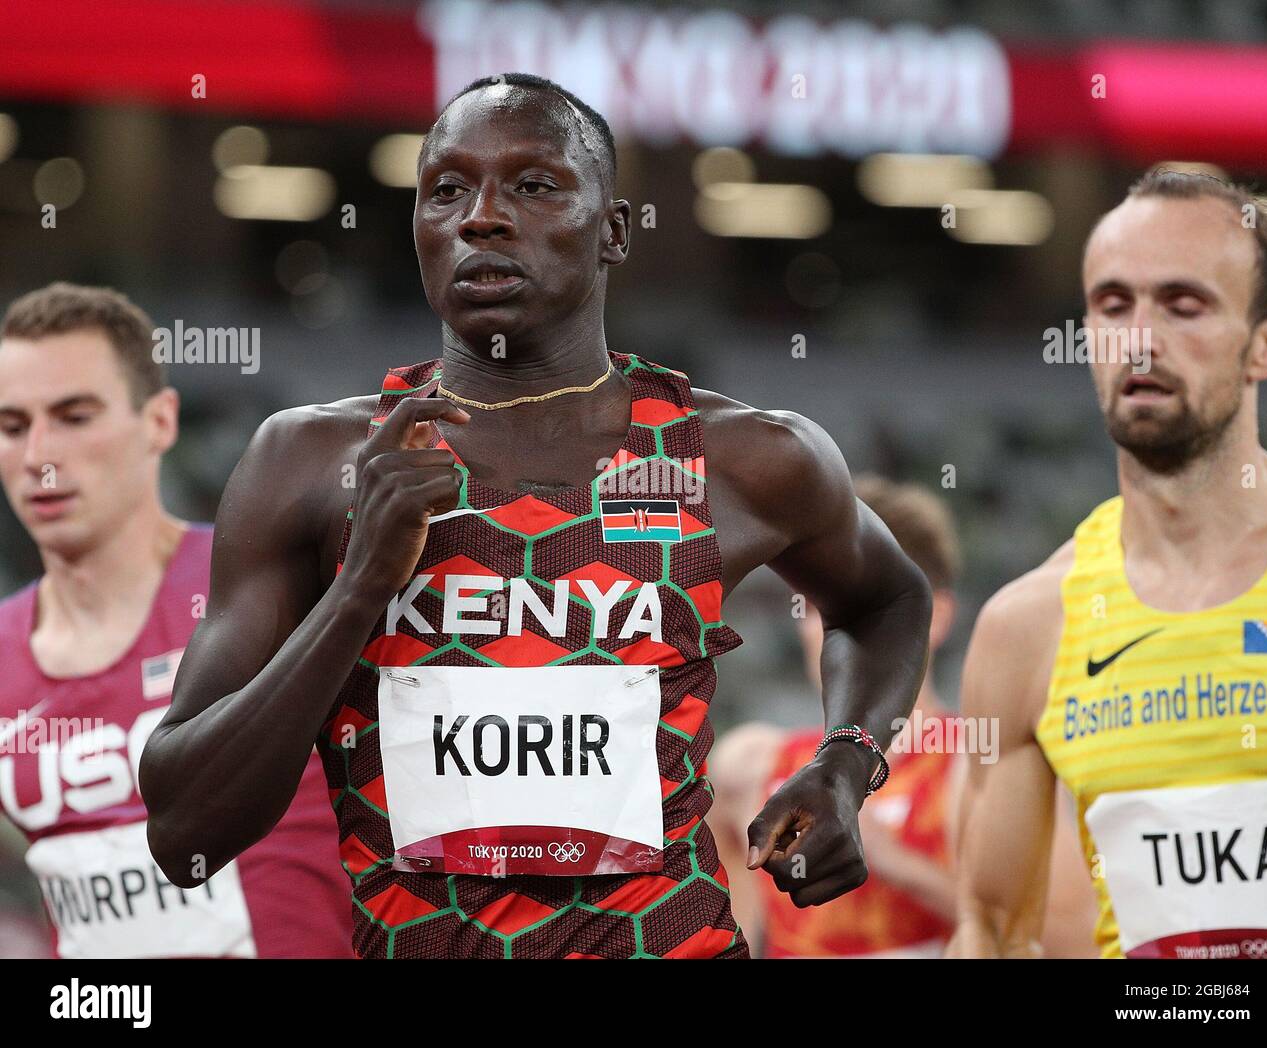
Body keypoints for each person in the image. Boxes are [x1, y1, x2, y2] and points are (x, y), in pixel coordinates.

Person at [139, 74, 933, 959]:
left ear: (615, 231)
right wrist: (360, 587)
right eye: (446, 189)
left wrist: (844, 764)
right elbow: (185, 834)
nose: (481, 216)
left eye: (533, 184)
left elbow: (888, 601)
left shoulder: (745, 457)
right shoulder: (307, 463)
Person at [951, 171, 1267, 959]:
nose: (1140, 336)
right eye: (1114, 305)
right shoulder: (1030, 625)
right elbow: (994, 933)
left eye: (1184, 304)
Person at [0, 282, 353, 959]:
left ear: (160, 422)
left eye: (74, 416)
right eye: (14, 426)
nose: (40, 455)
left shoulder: (270, 590)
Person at [711, 475, 963, 957]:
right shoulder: (752, 766)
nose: (827, 629)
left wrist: (893, 860)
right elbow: (727, 931)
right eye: (812, 608)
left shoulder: (976, 763)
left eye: (859, 609)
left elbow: (1038, 935)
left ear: (936, 617)